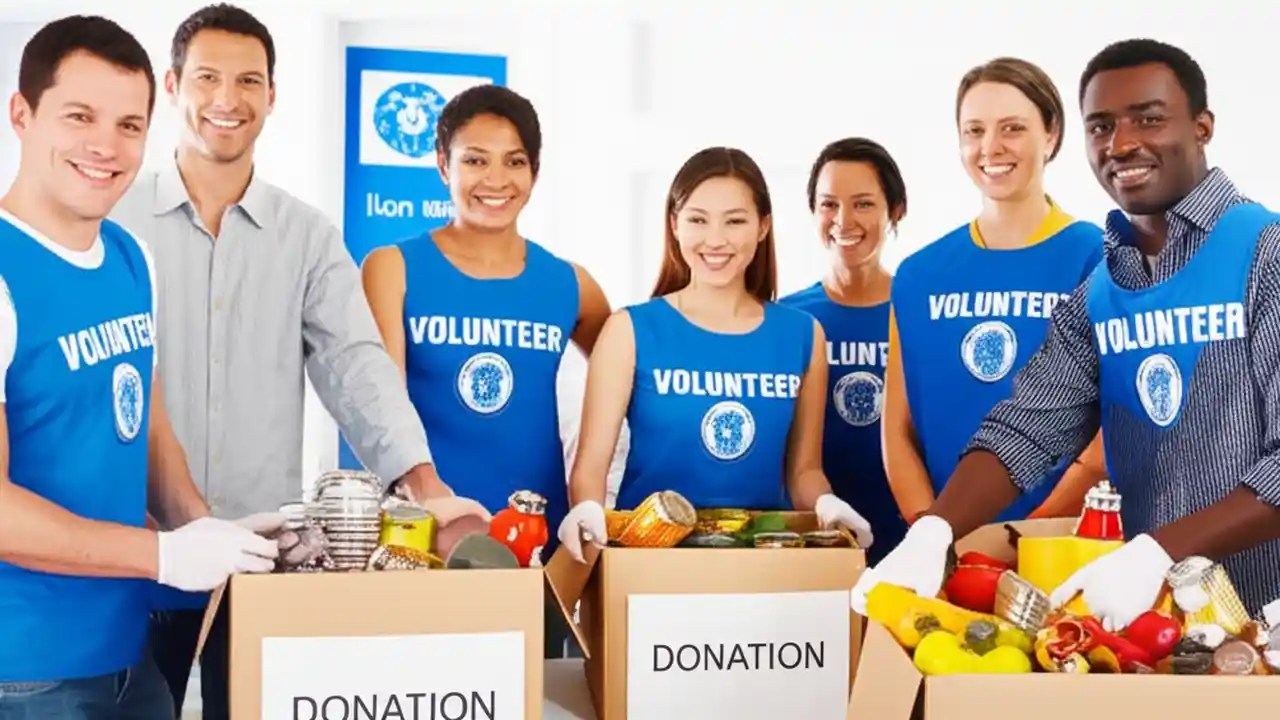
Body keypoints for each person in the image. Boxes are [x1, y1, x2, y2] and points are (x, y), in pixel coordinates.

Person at [852, 38, 1280, 632]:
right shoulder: (1103, 290)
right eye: (1101, 126)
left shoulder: (1266, 253)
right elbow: (1026, 425)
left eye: (1149, 119)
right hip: (1158, 629)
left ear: (1203, 127)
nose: (1122, 143)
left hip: (1268, 621)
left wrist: (1159, 550)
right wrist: (934, 531)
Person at [108, 5, 465, 717]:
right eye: (207, 78)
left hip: (259, 558)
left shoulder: (306, 235)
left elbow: (355, 366)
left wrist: (426, 487)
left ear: (273, 95)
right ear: (172, 86)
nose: (227, 99)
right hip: (128, 553)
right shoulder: (112, 219)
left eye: (249, 80)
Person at [0, 15, 279, 718]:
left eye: (129, 125)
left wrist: (213, 534)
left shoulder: (131, 259)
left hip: (130, 659)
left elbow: (145, 425)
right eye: (80, 116)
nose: (106, 145)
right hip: (24, 674)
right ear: (21, 115)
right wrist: (161, 557)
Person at [557, 147, 875, 563]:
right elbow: (591, 468)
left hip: (763, 563)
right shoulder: (630, 329)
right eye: (698, 220)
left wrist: (827, 504)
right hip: (650, 561)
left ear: (763, 227)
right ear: (674, 225)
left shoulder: (802, 335)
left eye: (735, 221)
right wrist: (586, 514)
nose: (716, 240)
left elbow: (803, 471)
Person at [362, 83, 612, 560]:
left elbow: (639, 386)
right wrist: (428, 497)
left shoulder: (570, 284)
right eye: (475, 160)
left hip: (538, 545)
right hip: (426, 538)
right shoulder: (392, 268)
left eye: (514, 162)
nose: (496, 179)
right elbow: (379, 406)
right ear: (443, 166)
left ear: (534, 173)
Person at [881, 56, 1109, 526]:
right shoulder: (919, 275)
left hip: (1061, 541)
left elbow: (1113, 430)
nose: (991, 147)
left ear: (1051, 134)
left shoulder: (1100, 258)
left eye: (1012, 128)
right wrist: (933, 534)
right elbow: (897, 430)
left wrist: (1026, 534)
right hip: (941, 547)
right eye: (974, 130)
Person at [779, 138, 910, 565]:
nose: (843, 220)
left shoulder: (920, 314)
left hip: (907, 531)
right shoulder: (788, 320)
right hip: (812, 536)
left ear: (896, 210)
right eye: (829, 204)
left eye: (864, 204)